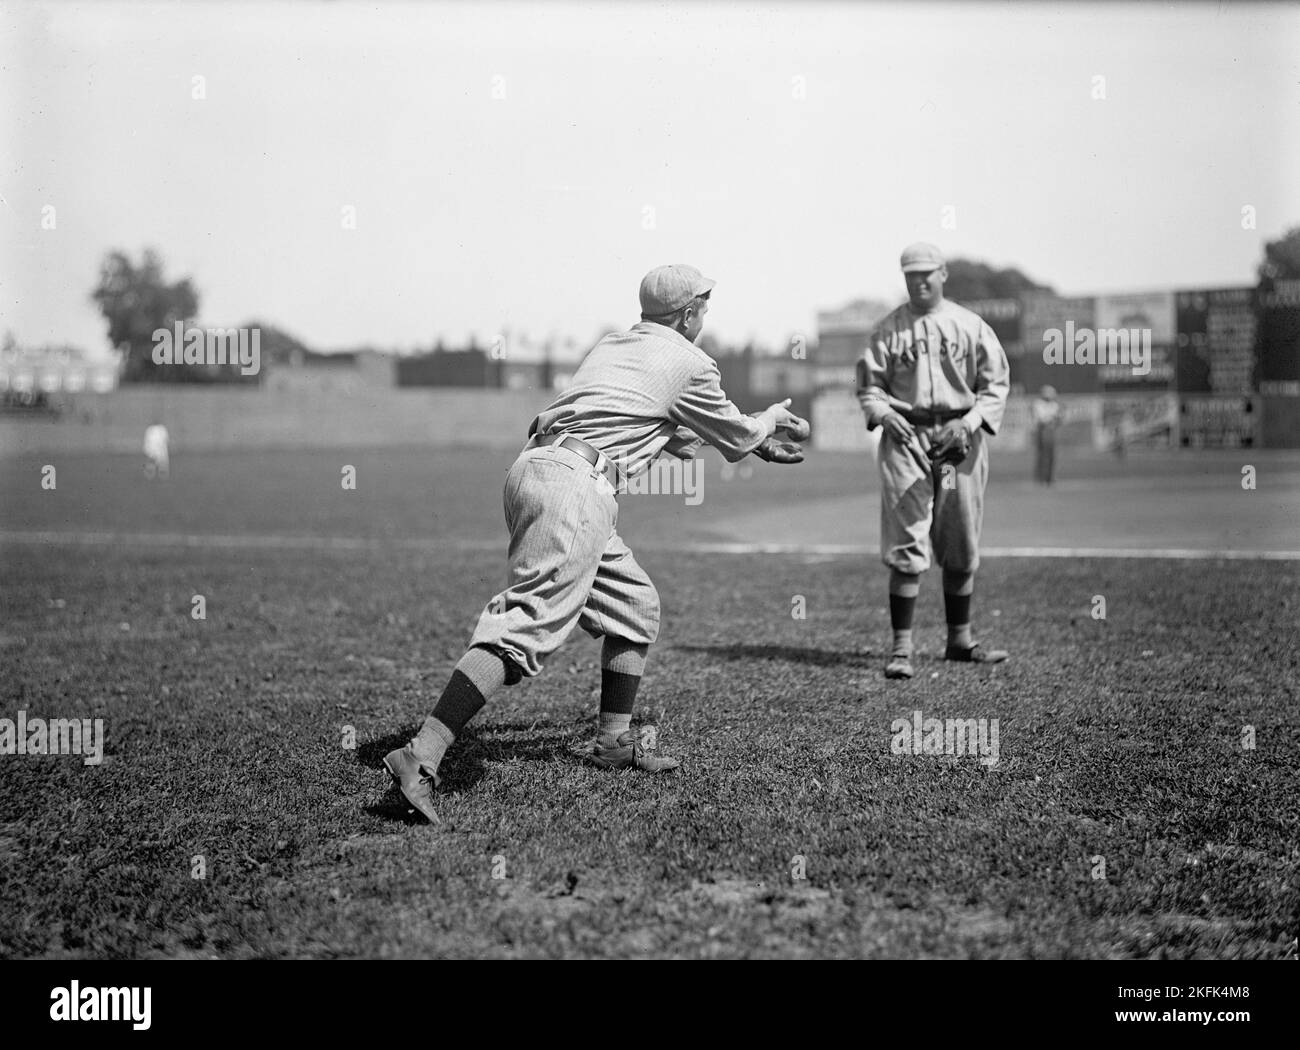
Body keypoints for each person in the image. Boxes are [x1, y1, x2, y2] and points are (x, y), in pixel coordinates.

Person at [383, 265, 808, 823]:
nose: (706, 316)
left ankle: (613, 743)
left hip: (535, 469)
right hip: (577, 488)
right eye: (704, 306)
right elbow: (735, 433)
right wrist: (767, 424)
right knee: (527, 623)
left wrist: (745, 441)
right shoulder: (689, 362)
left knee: (634, 606)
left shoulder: (616, 345)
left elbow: (664, 424)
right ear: (687, 314)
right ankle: (422, 755)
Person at [856, 242, 1011, 681]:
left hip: (957, 440)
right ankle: (902, 649)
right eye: (911, 274)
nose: (919, 281)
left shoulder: (971, 325)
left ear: (943, 273)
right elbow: (869, 386)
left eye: (927, 272)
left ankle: (959, 641)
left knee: (959, 533)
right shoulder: (888, 330)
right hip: (907, 437)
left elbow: (995, 385)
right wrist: (884, 413)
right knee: (907, 539)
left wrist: (971, 422)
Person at [1031, 385, 1061, 484]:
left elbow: (1058, 419)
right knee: (1043, 456)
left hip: (1051, 431)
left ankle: (1050, 478)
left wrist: (1053, 420)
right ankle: (1041, 478)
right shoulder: (1038, 404)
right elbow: (1041, 419)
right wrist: (1051, 419)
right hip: (1042, 431)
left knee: (1052, 456)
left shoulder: (1054, 405)